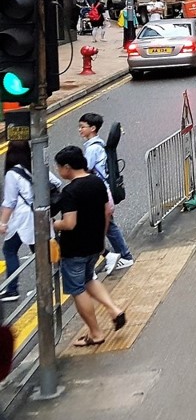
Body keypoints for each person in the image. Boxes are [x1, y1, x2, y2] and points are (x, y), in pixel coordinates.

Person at [51, 145, 126, 346]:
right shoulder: (97, 183)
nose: (59, 172)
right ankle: (114, 309)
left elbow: (69, 223)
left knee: (77, 289)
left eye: (59, 168)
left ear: (67, 167)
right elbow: (106, 213)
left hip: (74, 248)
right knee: (89, 280)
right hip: (95, 244)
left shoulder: (70, 192)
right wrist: (101, 240)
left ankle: (95, 333)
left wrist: (52, 224)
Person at [1, 141, 59, 302]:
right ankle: (49, 283)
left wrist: (3, 223)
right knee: (40, 249)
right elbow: (56, 183)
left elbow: (9, 202)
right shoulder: (36, 167)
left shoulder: (13, 174)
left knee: (9, 250)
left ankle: (13, 290)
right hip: (41, 215)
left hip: (23, 219)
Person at [79, 113, 135, 274]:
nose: (80, 130)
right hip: (102, 191)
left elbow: (85, 170)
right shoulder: (99, 145)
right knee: (108, 225)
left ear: (93, 128)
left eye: (83, 127)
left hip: (98, 192)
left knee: (101, 226)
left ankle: (120, 256)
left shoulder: (93, 149)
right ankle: (120, 255)